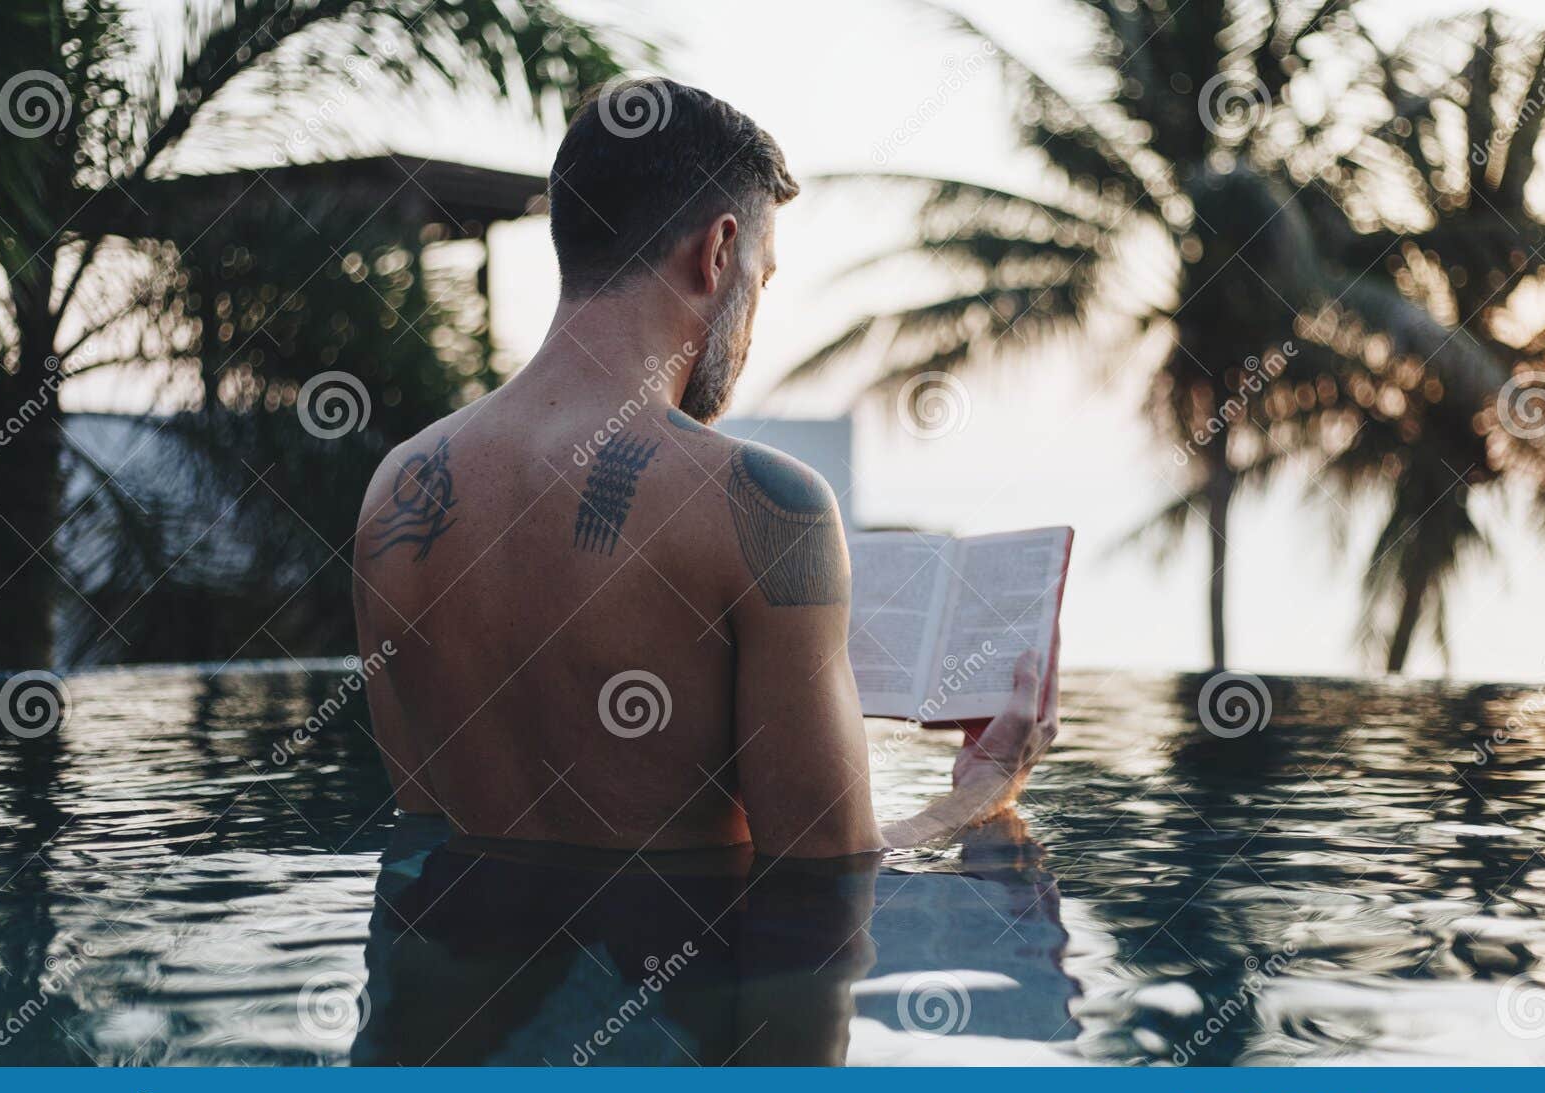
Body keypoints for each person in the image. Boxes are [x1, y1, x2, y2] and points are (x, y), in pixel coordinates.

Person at [351, 78, 1060, 857]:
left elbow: (423, 833)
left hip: (461, 939)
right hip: (687, 942)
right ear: (719, 251)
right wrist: (986, 784)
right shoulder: (766, 504)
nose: (754, 318)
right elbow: (830, 871)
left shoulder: (398, 492)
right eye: (762, 276)